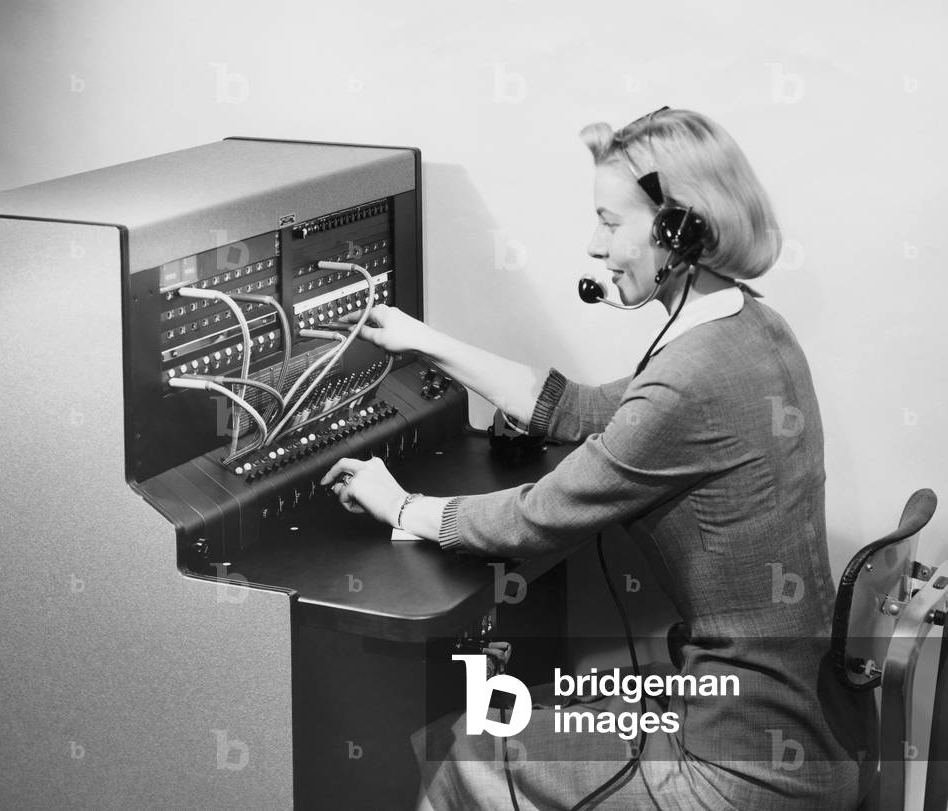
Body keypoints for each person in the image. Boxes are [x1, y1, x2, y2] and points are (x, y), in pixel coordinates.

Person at [320, 107, 877, 810]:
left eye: (611, 222)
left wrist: (401, 505)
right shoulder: (755, 331)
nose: (594, 243)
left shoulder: (691, 377)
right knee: (517, 713)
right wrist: (423, 341)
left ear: (680, 228)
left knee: (467, 748)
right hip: (803, 738)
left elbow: (535, 517)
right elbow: (583, 411)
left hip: (738, 775)